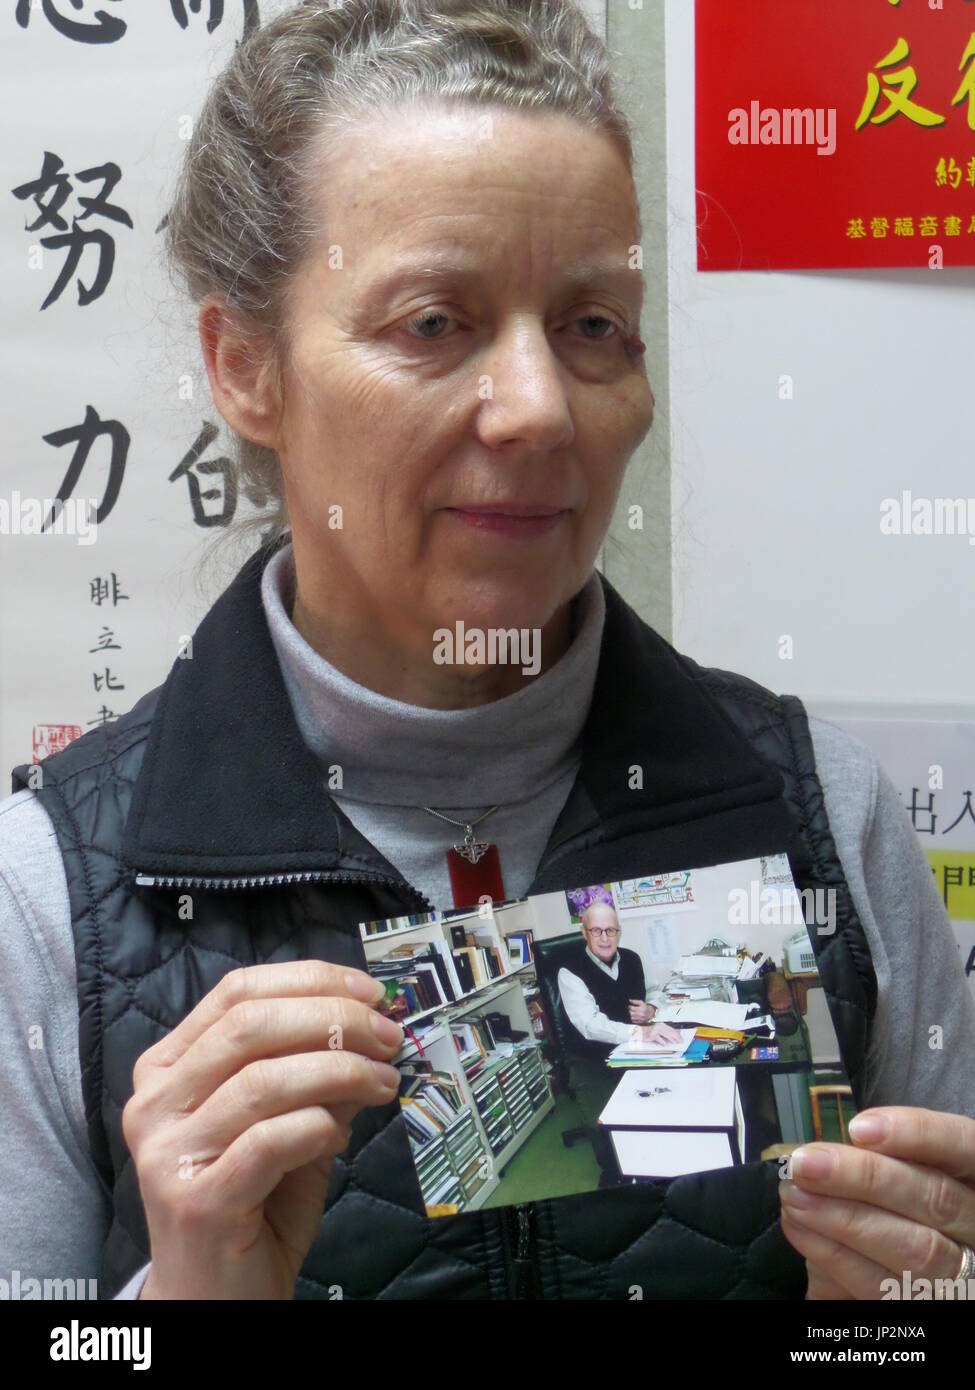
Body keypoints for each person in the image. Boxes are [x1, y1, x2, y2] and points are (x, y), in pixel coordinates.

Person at [1, 0, 974, 1302]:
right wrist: (180, 1300)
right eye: (431, 322)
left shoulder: (819, 816)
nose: (533, 410)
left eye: (590, 325)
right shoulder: (53, 896)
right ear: (244, 366)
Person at [557, 901, 684, 1058]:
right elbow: (589, 1025)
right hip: (598, 1058)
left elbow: (654, 991)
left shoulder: (633, 958)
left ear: (619, 932)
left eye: (610, 930)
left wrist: (650, 1009)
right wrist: (642, 1032)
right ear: (584, 933)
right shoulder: (569, 972)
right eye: (596, 930)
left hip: (641, 1048)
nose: (604, 938)